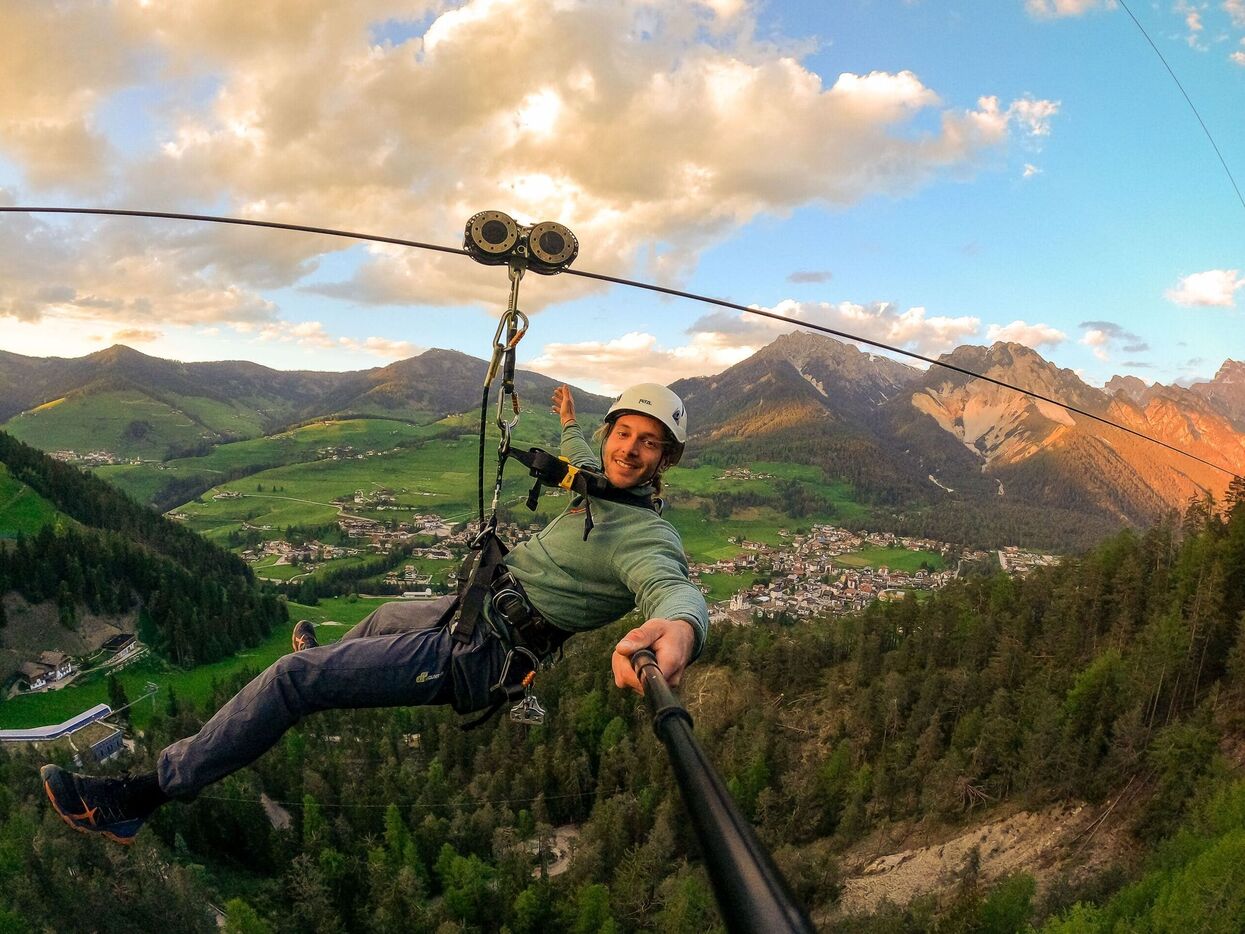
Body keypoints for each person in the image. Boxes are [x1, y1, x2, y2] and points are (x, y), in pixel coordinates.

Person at [41, 382, 707, 845]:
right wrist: (565, 416)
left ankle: (137, 798)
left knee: (292, 683)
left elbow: (672, 589)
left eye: (648, 443)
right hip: (466, 614)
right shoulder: (599, 483)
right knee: (387, 613)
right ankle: (316, 661)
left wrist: (678, 628)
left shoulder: (646, 536)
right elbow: (587, 454)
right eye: (624, 433)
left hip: (479, 656)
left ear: (664, 461)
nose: (629, 449)